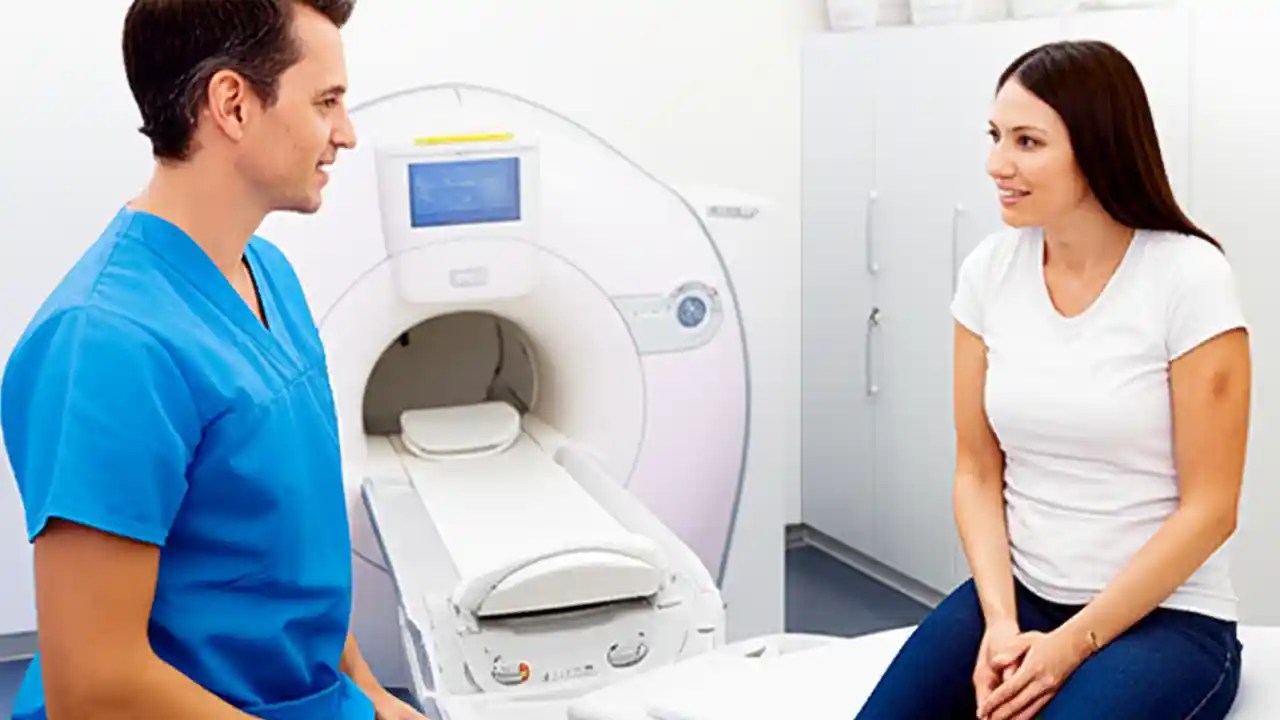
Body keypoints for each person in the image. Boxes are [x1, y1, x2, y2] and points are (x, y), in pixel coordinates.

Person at [0, 1, 429, 718]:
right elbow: (94, 685)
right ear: (232, 103)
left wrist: (375, 695)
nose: (346, 134)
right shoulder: (106, 343)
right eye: (326, 102)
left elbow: (295, 566)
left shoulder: (269, 276)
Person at [856, 40, 1250, 720]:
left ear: (1098, 148)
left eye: (1027, 141)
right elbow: (978, 471)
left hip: (1168, 619)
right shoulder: (989, 272)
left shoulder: (1189, 278)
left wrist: (1067, 647)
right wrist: (1000, 623)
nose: (996, 164)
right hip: (1024, 592)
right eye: (996, 136)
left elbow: (1211, 510)